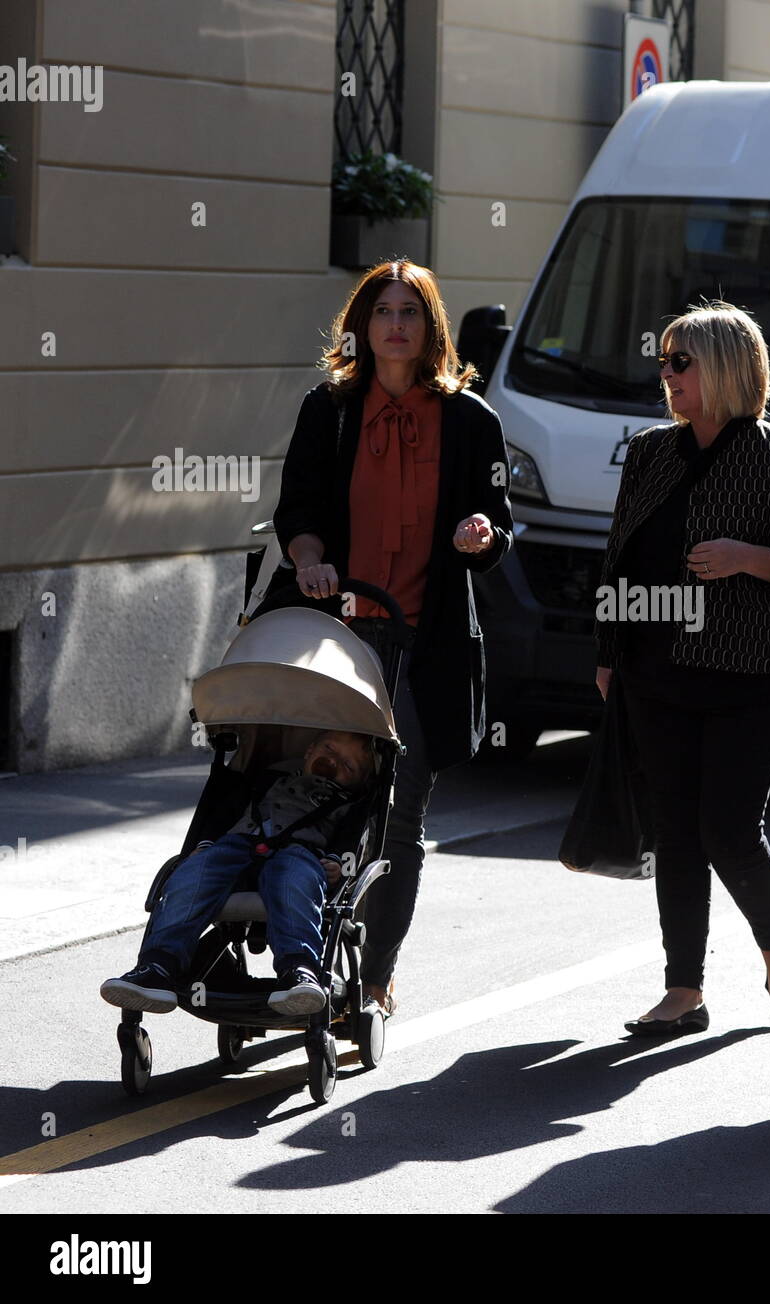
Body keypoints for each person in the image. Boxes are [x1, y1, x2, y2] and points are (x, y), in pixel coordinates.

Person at [273, 260, 514, 1017]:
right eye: (383, 311)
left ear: (430, 327)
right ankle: (307, 961)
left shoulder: (472, 420)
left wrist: (481, 535)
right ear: (362, 324)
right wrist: (310, 562)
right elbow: (298, 511)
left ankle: (375, 977)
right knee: (321, 796)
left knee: (399, 817)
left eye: (411, 311)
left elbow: (498, 522)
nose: (397, 325)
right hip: (336, 639)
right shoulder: (330, 410)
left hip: (426, 646)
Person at [595, 301, 770, 1036]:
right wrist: (607, 652)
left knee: (728, 827)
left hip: (749, 671)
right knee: (676, 829)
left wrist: (746, 559)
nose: (666, 376)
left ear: (727, 369)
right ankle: (683, 990)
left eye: (680, 362)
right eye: (664, 362)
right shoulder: (648, 452)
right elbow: (620, 554)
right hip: (654, 665)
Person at [100, 730, 375, 1017]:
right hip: (239, 844)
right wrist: (204, 844)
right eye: (329, 749)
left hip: (301, 853)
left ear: (359, 782)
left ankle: (299, 969)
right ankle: (157, 965)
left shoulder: (348, 803)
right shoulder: (266, 778)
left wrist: (337, 862)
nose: (333, 761)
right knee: (194, 872)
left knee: (294, 878)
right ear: (308, 752)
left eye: (348, 766)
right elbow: (226, 810)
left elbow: (352, 838)